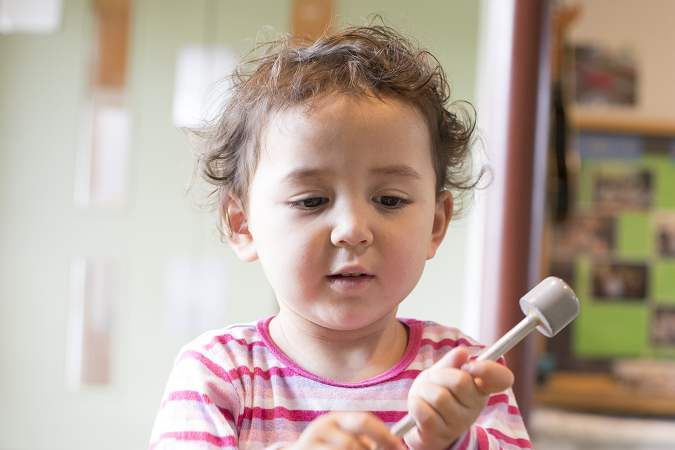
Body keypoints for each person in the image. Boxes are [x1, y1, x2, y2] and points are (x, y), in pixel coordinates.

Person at [150, 21, 532, 450]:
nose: (353, 230)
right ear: (242, 224)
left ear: (436, 224)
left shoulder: (464, 373)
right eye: (311, 201)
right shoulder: (218, 374)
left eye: (389, 200)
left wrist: (450, 441)